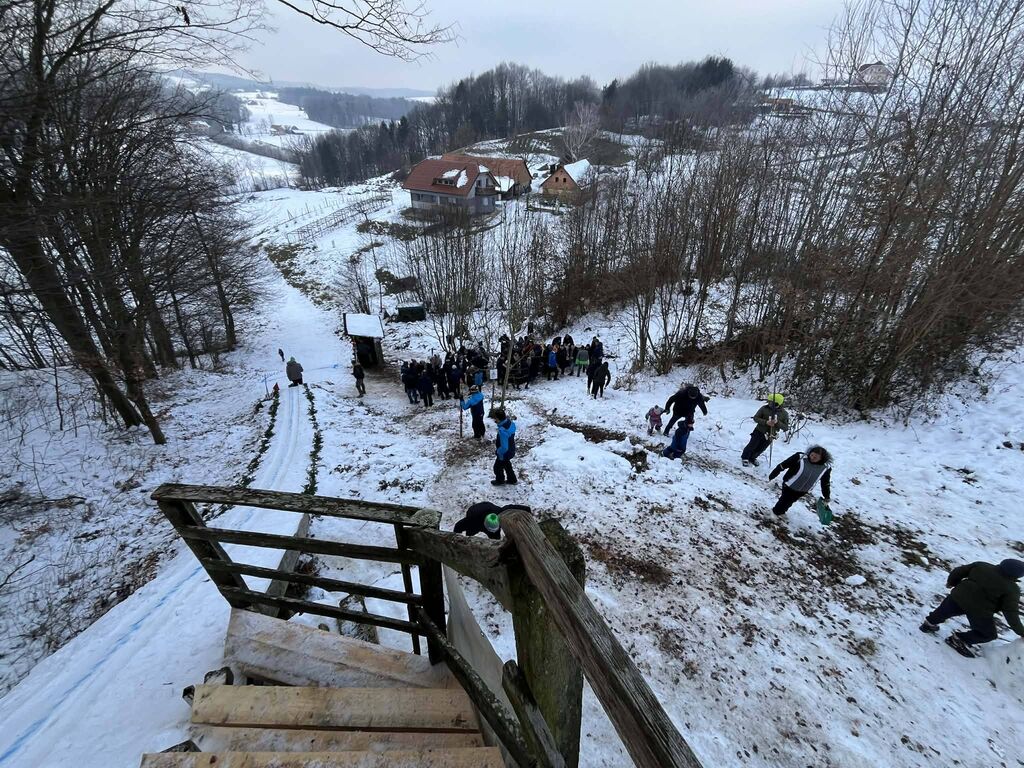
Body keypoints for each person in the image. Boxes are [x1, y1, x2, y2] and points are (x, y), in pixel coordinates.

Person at [920, 559, 1024, 657]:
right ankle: (958, 640)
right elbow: (1011, 613)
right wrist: (1021, 632)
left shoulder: (981, 565)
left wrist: (952, 582)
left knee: (943, 611)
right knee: (988, 634)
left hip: (958, 596)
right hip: (980, 611)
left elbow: (958, 571)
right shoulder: (1012, 589)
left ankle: (928, 624)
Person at [767, 446, 832, 515]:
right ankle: (775, 513)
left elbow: (825, 483)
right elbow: (783, 465)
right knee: (784, 500)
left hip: (803, 490)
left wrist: (826, 496)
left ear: (821, 459)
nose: (812, 458)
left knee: (790, 501)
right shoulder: (800, 457)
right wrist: (773, 474)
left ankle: (781, 511)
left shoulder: (825, 468)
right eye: (811, 455)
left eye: (815, 457)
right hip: (789, 485)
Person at [741, 394, 789, 466]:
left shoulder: (784, 414)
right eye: (769, 402)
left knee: (761, 448)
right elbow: (756, 418)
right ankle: (745, 457)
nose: (769, 403)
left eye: (771, 402)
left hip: (771, 434)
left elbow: (786, 427)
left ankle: (753, 457)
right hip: (759, 431)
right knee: (752, 445)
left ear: (777, 403)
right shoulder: (764, 408)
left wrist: (777, 423)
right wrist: (766, 422)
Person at [492, 407, 518, 485]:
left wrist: (499, 452)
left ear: (498, 419)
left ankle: (500, 481)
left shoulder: (503, 431)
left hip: (504, 453)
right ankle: (512, 480)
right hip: (511, 450)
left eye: (495, 418)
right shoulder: (509, 423)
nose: (494, 420)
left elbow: (504, 447)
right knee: (507, 465)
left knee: (497, 467)